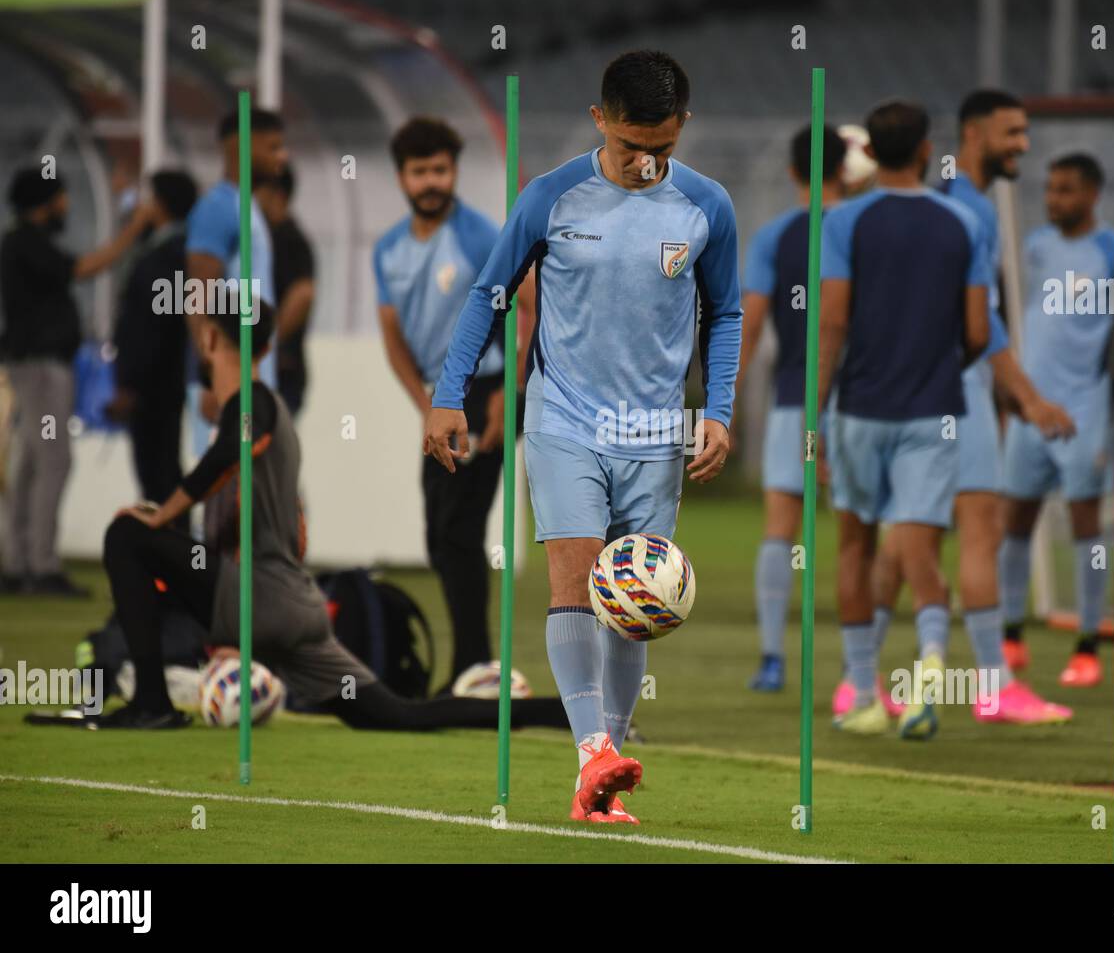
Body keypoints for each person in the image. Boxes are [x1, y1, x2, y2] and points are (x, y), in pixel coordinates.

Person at [425, 50, 740, 824]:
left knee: (634, 602)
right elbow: (489, 292)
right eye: (631, 145)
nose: (645, 162)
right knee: (575, 580)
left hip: (656, 431)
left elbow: (726, 311)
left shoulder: (708, 206)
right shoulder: (549, 196)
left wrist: (721, 409)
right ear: (600, 120)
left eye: (662, 147)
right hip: (564, 418)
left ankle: (606, 768)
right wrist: (448, 394)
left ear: (682, 126)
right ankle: (593, 753)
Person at [93, 292, 567, 733]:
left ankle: (151, 704)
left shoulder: (254, 403)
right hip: (295, 607)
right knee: (398, 714)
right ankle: (564, 712)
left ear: (210, 338)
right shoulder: (264, 407)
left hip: (262, 599)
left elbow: (225, 455)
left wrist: (162, 516)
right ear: (267, 345)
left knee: (127, 535)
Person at [859, 89, 1076, 728]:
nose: (1023, 145)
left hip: (911, 393)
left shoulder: (937, 202)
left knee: (905, 540)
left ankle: (858, 680)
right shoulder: (969, 210)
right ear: (973, 136)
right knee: (979, 531)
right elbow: (984, 326)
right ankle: (994, 688)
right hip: (961, 392)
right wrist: (1028, 397)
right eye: (1013, 133)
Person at [818, 99, 990, 739]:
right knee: (919, 549)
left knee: (855, 545)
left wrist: (816, 410)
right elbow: (979, 331)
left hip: (861, 406)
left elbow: (832, 320)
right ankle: (930, 669)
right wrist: (939, 362)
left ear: (869, 152)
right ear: (925, 150)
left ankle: (865, 694)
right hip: (934, 409)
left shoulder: (844, 221)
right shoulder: (961, 222)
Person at [374, 117, 531, 691]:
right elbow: (392, 335)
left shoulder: (480, 235)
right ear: (402, 177)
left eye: (440, 169)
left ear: (454, 171)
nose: (431, 182)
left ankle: (474, 668)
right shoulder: (389, 249)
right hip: (441, 401)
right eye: (420, 172)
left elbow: (531, 307)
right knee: (439, 537)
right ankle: (472, 667)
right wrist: (425, 404)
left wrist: (511, 392)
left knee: (459, 531)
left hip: (486, 393)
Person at [0, 166, 154, 596]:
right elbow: (85, 267)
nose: (66, 205)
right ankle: (41, 565)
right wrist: (132, 229)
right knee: (53, 459)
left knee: (31, 463)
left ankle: (18, 562)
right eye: (60, 197)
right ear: (42, 203)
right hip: (42, 370)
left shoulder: (22, 243)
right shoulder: (26, 243)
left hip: (36, 368)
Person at [999, 153, 1114, 688]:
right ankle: (1010, 635)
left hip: (1084, 406)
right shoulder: (1035, 248)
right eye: (1050, 189)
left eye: (1066, 189)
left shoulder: (1112, 251)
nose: (1053, 199)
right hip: (1031, 405)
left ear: (1092, 194)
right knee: (1015, 519)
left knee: (1085, 523)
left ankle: (1088, 643)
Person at [738, 125, 847, 692]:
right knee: (860, 531)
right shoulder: (861, 227)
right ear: (845, 167)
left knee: (781, 526)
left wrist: (724, 406)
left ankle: (772, 659)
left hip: (791, 398)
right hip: (862, 402)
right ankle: (858, 667)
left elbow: (749, 325)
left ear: (791, 171)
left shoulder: (775, 237)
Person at [107, 169, 199, 510]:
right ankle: (169, 535)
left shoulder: (166, 256)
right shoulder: (170, 249)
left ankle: (168, 536)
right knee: (160, 469)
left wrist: (131, 383)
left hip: (154, 383)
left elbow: (150, 326)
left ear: (160, 204)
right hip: (162, 379)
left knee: (158, 472)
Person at [186, 108, 286, 386]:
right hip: (228, 384)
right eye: (273, 147)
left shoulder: (247, 207)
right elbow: (199, 296)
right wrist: (211, 377)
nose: (283, 156)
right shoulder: (218, 208)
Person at [256, 165, 314, 417]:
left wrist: (266, 344)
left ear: (276, 194)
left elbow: (303, 294)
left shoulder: (288, 239)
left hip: (281, 373)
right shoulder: (265, 237)